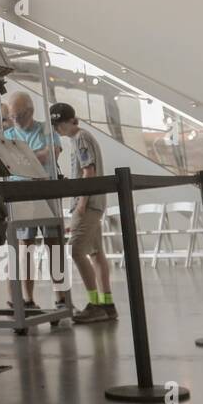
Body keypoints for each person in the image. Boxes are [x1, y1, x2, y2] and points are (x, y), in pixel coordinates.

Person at [50, 103, 116, 323]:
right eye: (55, 125)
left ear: (70, 121)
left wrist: (81, 204)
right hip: (92, 202)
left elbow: (89, 170)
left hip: (87, 203)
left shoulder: (80, 138)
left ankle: (95, 303)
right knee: (96, 253)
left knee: (77, 250)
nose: (58, 129)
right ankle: (107, 303)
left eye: (60, 124)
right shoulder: (78, 139)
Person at [1, 92, 66, 312]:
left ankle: (61, 298)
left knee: (54, 245)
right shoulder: (8, 134)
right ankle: (28, 300)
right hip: (21, 196)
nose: (16, 119)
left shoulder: (45, 129)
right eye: (12, 115)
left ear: (30, 111)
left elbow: (50, 155)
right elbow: (7, 161)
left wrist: (21, 159)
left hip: (46, 193)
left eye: (19, 114)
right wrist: (32, 156)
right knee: (25, 248)